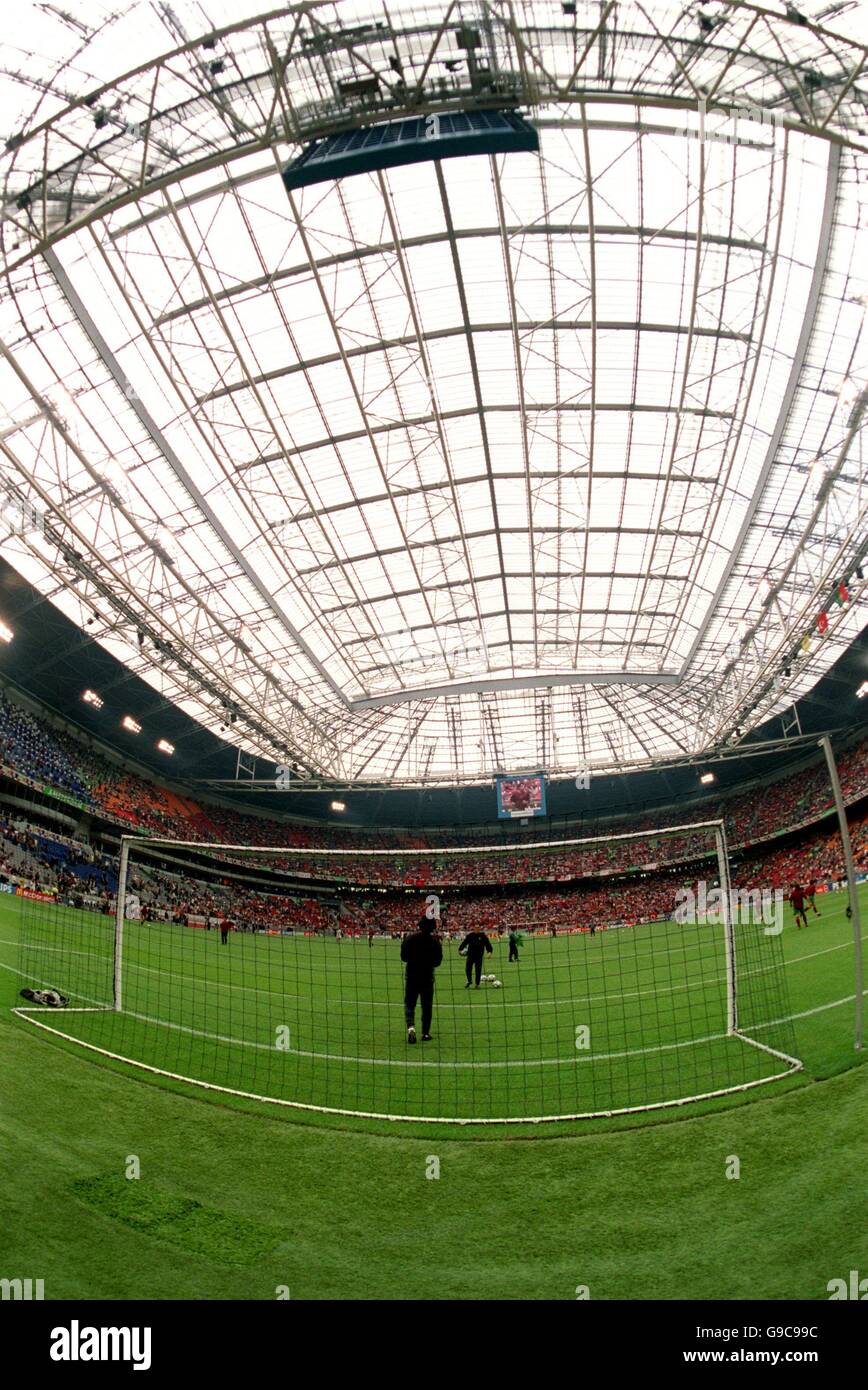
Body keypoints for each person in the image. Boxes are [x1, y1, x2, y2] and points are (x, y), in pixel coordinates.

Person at [400, 914, 443, 1043]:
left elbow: (403, 957)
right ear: (432, 928)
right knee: (427, 1006)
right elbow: (437, 962)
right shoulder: (435, 942)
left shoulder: (409, 939)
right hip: (427, 978)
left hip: (412, 976)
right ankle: (425, 1033)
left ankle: (411, 1028)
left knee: (410, 1004)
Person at [459, 924, 493, 988]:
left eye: (478, 927)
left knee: (478, 970)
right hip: (470, 955)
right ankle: (469, 981)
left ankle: (477, 984)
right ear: (473, 928)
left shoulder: (483, 936)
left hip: (479, 956)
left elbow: (488, 944)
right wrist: (460, 949)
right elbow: (464, 942)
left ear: (479, 928)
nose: (477, 929)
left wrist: (489, 952)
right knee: (468, 969)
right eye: (475, 928)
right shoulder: (470, 935)